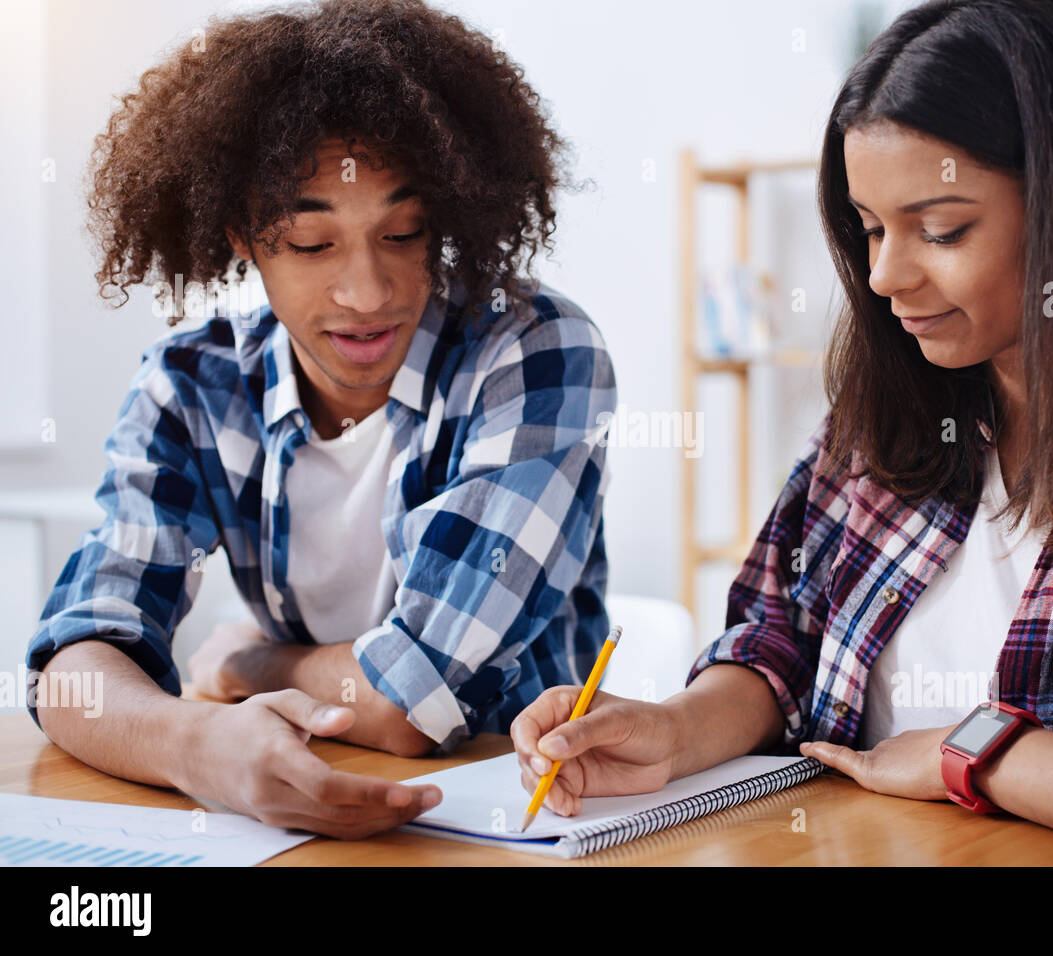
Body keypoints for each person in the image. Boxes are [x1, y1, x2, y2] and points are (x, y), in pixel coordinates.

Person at [510, 0, 1053, 866]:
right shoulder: (874, 431)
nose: (885, 275)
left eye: (940, 229)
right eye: (872, 228)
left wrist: (974, 755)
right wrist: (672, 730)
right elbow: (779, 637)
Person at [26, 0, 616, 840]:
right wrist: (197, 742)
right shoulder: (194, 385)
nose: (367, 293)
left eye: (404, 232)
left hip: (515, 823)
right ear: (243, 237)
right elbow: (74, 667)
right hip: (294, 822)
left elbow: (415, 703)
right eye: (311, 244)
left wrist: (247, 664)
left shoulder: (532, 355)